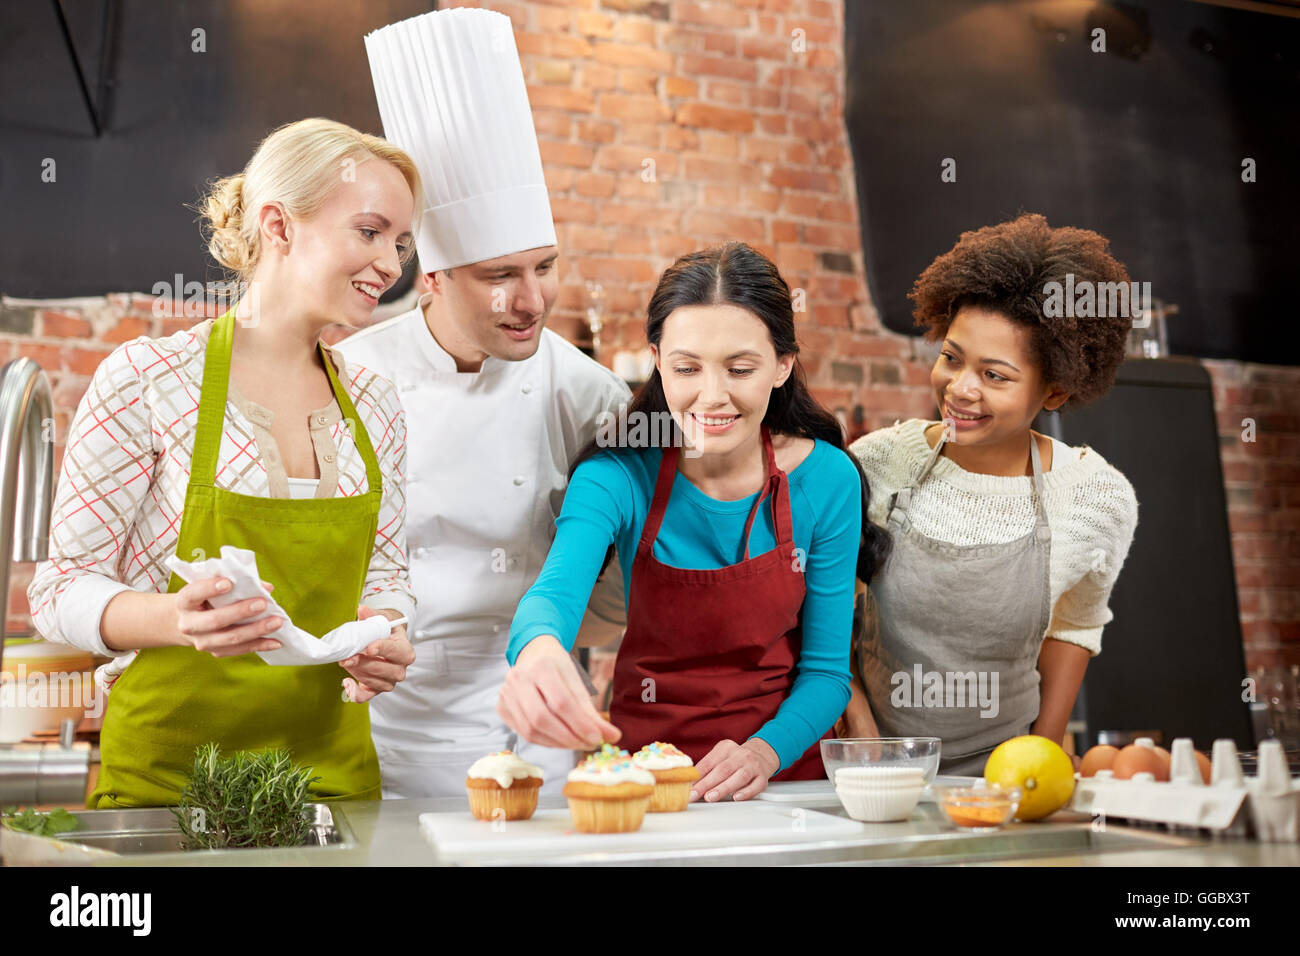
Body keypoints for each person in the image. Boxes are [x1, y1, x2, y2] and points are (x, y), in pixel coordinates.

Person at [27, 118, 419, 807]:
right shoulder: (150, 379)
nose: (391, 263)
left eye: (401, 242)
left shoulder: (376, 405)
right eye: (370, 231)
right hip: (169, 786)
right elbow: (59, 590)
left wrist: (384, 631)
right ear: (278, 225)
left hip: (328, 783)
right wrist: (177, 619)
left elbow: (384, 573)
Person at [333, 8, 631, 798]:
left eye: (545, 265)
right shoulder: (346, 374)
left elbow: (614, 593)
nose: (530, 300)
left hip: (529, 737)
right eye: (500, 274)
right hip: (368, 733)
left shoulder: (588, 394)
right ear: (431, 275)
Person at [498, 242, 892, 802]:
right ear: (658, 361)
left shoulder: (826, 478)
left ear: (782, 366)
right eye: (687, 368)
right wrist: (539, 652)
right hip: (646, 783)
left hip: (784, 784)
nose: (712, 396)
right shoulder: (619, 473)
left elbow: (827, 674)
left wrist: (763, 752)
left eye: (740, 368)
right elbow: (552, 596)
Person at [843, 213, 1140, 775]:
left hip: (1005, 776)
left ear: (1054, 390)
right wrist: (862, 741)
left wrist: (1040, 757)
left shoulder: (1095, 498)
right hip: (872, 769)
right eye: (951, 358)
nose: (960, 389)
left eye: (995, 375)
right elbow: (823, 608)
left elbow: (1076, 623)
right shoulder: (876, 463)